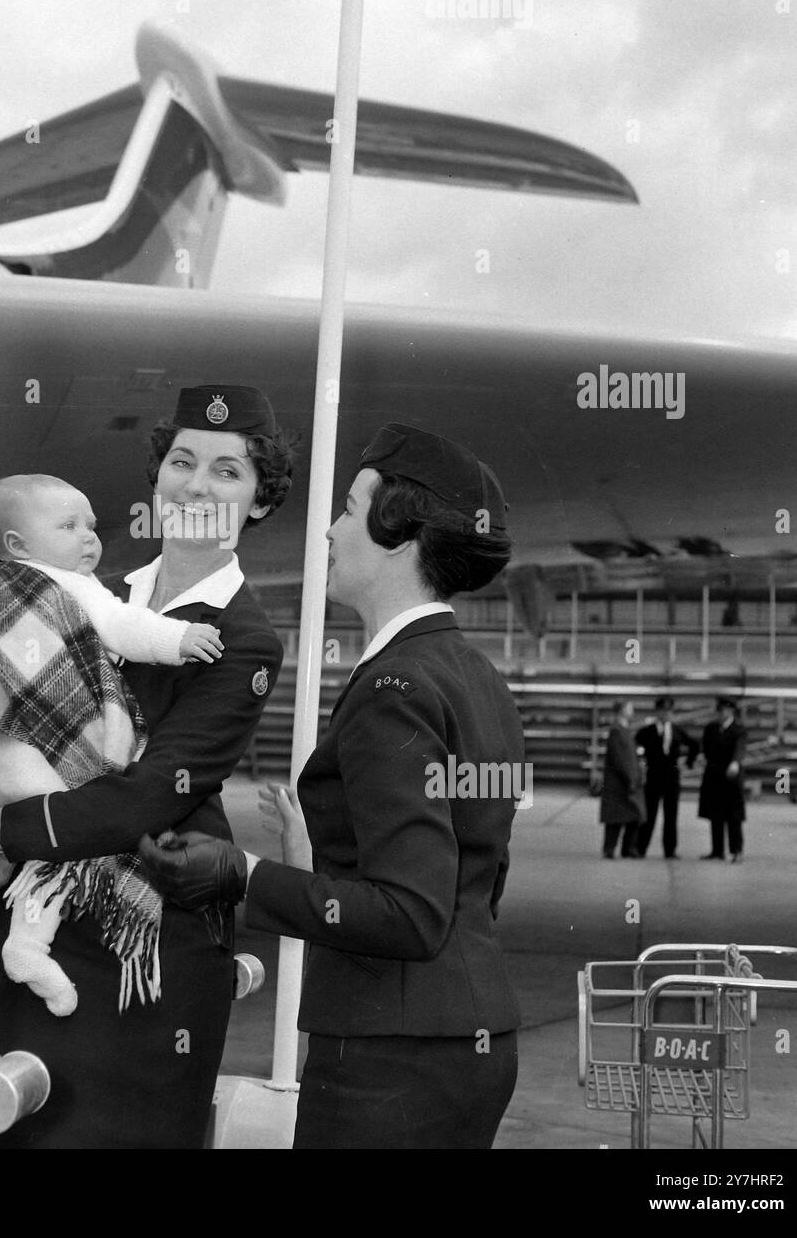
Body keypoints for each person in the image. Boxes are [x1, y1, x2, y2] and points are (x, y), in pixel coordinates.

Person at [141, 422, 522, 1149]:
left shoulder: (394, 686)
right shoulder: (475, 676)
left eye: (349, 508)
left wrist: (241, 874)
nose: (331, 528)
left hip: (389, 1055)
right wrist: (318, 869)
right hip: (468, 1035)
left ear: (397, 534)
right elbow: (477, 875)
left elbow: (411, 912)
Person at [0, 384, 292, 1148]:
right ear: (157, 479)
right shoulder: (87, 591)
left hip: (144, 950)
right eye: (182, 461)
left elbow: (152, 793)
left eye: (227, 470)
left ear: (258, 500)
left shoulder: (242, 637)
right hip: (34, 926)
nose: (197, 484)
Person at [0, 476, 225, 1018]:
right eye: (69, 526)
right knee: (69, 839)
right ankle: (27, 945)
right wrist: (177, 639)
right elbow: (124, 626)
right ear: (16, 546)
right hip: (28, 748)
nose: (89, 539)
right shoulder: (66, 588)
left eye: (92, 526)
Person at [634, 696, 699, 859]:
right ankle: (641, 848)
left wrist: (688, 763)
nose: (666, 714)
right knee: (649, 815)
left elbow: (694, 744)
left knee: (671, 816)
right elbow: (634, 745)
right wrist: (640, 762)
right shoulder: (647, 731)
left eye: (669, 711)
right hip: (653, 776)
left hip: (671, 778)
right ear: (657, 712)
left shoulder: (677, 731)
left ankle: (670, 850)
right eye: (662, 711)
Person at [699, 696, 747, 862]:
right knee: (715, 815)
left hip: (731, 777)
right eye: (719, 711)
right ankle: (717, 851)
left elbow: (740, 749)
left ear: (731, 711)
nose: (720, 714)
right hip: (714, 776)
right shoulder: (711, 728)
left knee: (734, 817)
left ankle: (736, 851)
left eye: (724, 710)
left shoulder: (739, 729)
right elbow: (705, 749)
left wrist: (735, 762)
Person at [600, 700, 645, 858]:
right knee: (616, 818)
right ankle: (611, 848)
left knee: (632, 815)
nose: (632, 711)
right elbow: (620, 758)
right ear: (621, 711)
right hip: (620, 782)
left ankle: (627, 848)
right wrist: (630, 777)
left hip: (627, 780)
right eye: (629, 708)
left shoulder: (624, 730)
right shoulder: (617, 731)